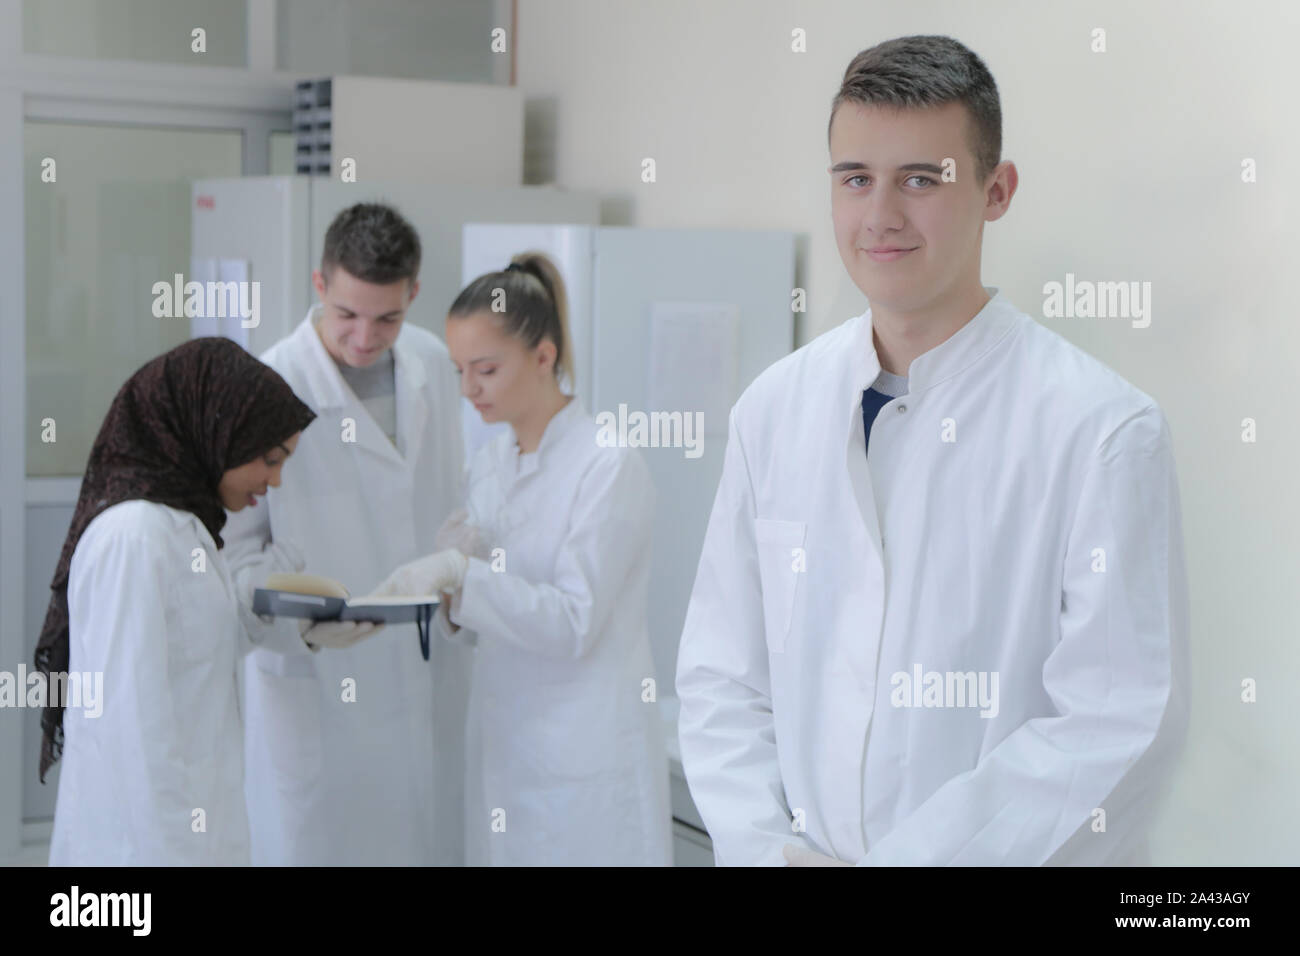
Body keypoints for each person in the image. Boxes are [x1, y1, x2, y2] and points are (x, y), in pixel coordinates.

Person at [675, 35, 1190, 866]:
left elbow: (1117, 718)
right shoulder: (774, 410)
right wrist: (770, 852)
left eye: (922, 179)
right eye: (855, 179)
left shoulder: (1100, 430)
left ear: (997, 190)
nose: (880, 214)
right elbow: (720, 677)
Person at [374, 253, 673, 866]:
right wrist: (452, 599)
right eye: (459, 370)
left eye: (485, 369)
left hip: (587, 765)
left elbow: (572, 623)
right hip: (508, 753)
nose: (467, 389)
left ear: (543, 356)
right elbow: (492, 623)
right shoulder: (491, 465)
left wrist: (468, 576)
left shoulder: (607, 465)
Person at [223, 202, 469, 866]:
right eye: (348, 315)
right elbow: (235, 554)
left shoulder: (432, 366)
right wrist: (300, 624)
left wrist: (458, 562)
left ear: (414, 294)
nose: (365, 338)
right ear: (320, 285)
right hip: (318, 688)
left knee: (421, 837)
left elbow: (459, 496)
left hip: (420, 670)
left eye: (387, 317)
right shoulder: (267, 383)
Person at [35, 337, 324, 865]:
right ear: (218, 431)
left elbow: (196, 651)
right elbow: (130, 731)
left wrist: (301, 625)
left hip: (191, 834)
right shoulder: (135, 537)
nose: (275, 480)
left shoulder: (185, 527)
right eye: (269, 458)